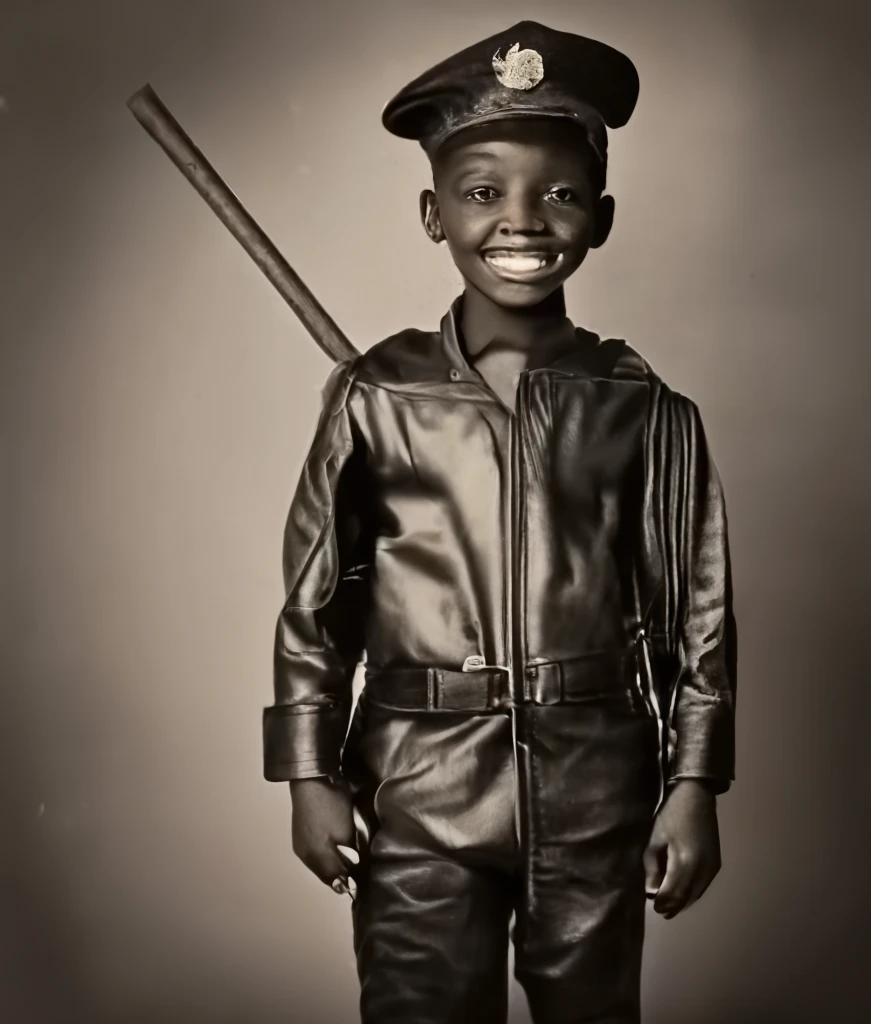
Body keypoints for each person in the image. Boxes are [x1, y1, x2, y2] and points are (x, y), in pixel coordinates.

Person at [262, 19, 737, 1024]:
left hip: (596, 793)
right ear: (432, 213)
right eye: (481, 192)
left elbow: (699, 616)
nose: (520, 221)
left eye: (559, 193)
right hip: (417, 789)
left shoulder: (645, 411)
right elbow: (315, 603)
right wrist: (306, 769)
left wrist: (694, 781)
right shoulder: (375, 396)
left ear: (600, 218)